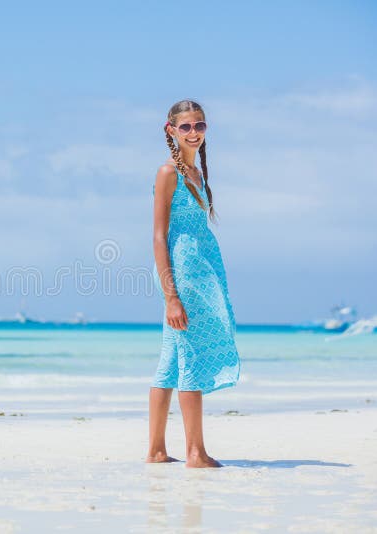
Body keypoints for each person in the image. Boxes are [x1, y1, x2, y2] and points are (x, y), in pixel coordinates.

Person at [146, 100, 241, 468]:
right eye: (185, 127)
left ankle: (156, 451)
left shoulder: (196, 174)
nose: (193, 133)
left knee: (171, 360)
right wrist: (171, 296)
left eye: (199, 125)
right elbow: (158, 236)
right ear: (170, 130)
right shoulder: (167, 172)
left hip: (200, 273)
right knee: (191, 358)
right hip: (181, 276)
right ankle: (195, 453)